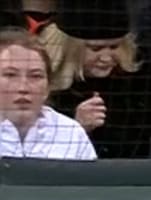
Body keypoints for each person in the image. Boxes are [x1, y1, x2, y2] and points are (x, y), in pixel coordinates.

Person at [39, 0, 151, 159]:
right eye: (95, 49)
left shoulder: (141, 86)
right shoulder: (43, 90)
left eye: (114, 47)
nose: (106, 58)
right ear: (69, 48)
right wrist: (76, 127)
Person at [0, 27, 94, 159]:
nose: (23, 87)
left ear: (48, 87)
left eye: (35, 76)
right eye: (10, 75)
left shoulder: (71, 132)